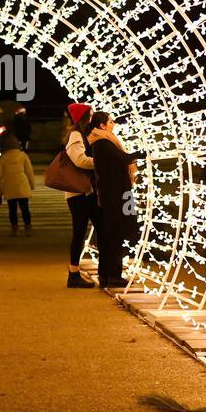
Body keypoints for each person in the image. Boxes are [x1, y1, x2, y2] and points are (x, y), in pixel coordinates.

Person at [87, 111, 139, 289]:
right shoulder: (102, 143)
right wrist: (140, 154)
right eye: (110, 121)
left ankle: (110, 274)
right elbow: (121, 159)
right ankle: (112, 275)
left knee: (117, 233)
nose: (113, 123)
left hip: (119, 193)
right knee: (116, 233)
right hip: (115, 195)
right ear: (102, 125)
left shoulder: (104, 142)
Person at [63, 102, 100, 287]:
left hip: (84, 193)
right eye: (90, 115)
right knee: (79, 232)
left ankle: (77, 273)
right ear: (84, 117)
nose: (92, 118)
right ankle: (73, 274)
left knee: (94, 227)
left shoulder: (81, 135)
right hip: (78, 193)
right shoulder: (76, 135)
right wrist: (100, 162)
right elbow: (80, 160)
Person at [0, 133, 36, 235]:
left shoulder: (3, 158)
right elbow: (29, 171)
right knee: (25, 208)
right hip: (22, 184)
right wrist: (32, 184)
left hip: (9, 186)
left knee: (12, 210)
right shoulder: (23, 156)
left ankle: (15, 229)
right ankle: (28, 227)